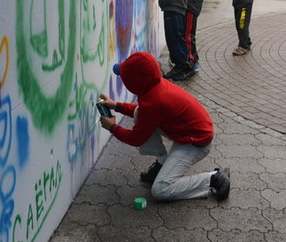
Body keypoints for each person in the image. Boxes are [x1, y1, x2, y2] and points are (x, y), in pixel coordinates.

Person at [98, 51, 231, 201]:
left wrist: (112, 128)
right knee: (138, 114)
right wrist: (116, 106)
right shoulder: (154, 87)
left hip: (196, 143)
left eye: (125, 77)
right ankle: (161, 165)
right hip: (187, 133)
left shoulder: (154, 100)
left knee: (161, 189)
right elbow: (143, 113)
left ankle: (214, 178)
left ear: (135, 82)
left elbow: (136, 138)